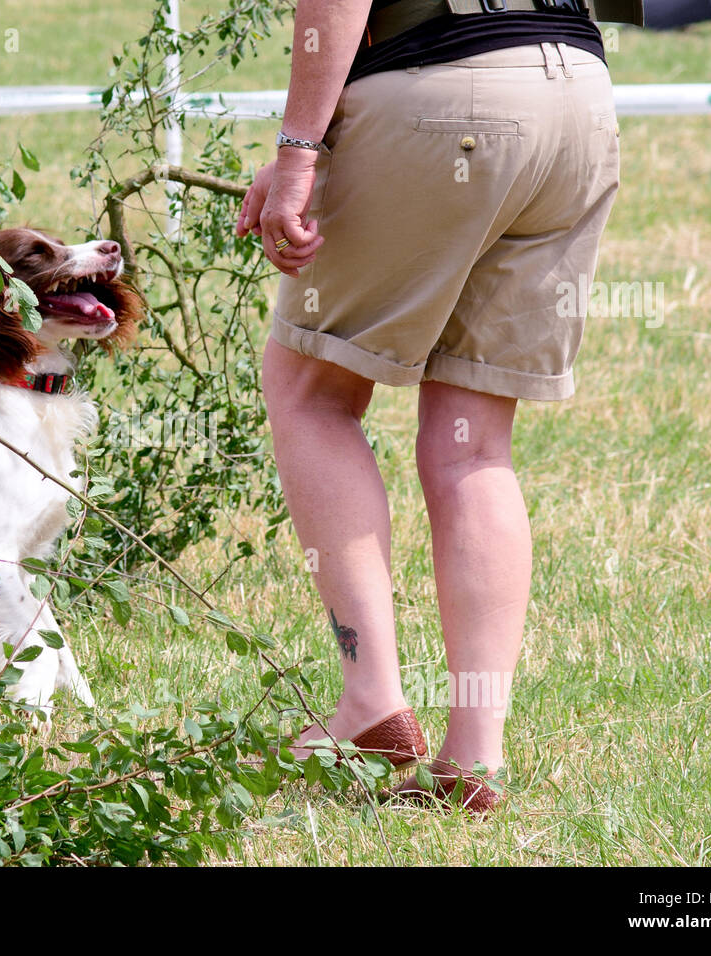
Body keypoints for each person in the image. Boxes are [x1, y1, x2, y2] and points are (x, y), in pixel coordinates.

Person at [235, 0, 630, 813]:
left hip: (445, 91)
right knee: (475, 444)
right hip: (578, 102)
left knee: (312, 392)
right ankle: (475, 758)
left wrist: (300, 151)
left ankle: (370, 701)